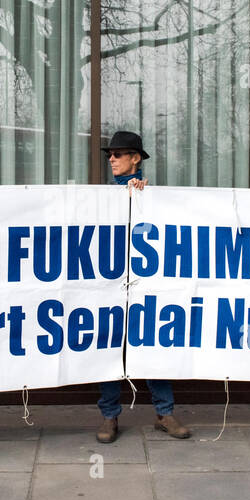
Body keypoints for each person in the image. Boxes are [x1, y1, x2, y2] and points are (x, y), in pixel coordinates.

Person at [95, 130, 191, 443]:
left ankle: (165, 413)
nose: (112, 159)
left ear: (135, 158)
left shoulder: (152, 195)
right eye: (110, 154)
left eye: (118, 154)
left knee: (152, 346)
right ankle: (109, 417)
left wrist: (143, 197)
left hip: (145, 285)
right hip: (111, 285)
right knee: (111, 351)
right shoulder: (103, 196)